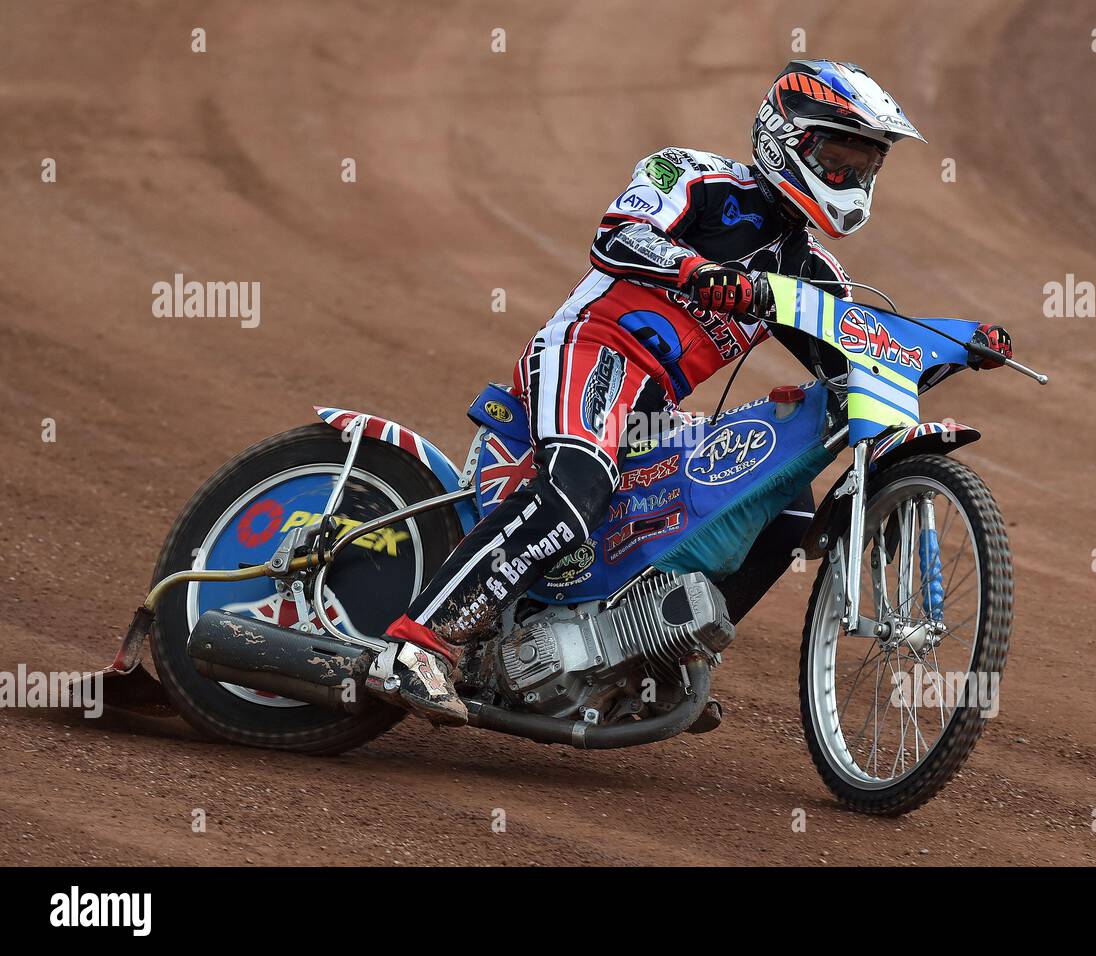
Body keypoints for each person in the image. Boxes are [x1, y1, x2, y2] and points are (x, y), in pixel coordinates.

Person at [378, 59, 998, 724]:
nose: (852, 178)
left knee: (782, 506)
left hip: (654, 407)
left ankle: (656, 655)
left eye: (865, 166)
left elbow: (850, 360)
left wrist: (951, 350)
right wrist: (697, 270)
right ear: (787, 140)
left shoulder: (812, 273)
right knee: (573, 495)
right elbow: (616, 235)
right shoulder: (693, 176)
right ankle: (420, 645)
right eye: (840, 158)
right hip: (593, 351)